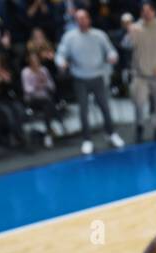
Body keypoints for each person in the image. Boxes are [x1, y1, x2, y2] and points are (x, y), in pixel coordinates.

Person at [55, 8, 125, 155]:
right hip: (80, 78)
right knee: (83, 110)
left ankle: (111, 134)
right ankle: (87, 140)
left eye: (84, 18)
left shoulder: (99, 35)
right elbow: (60, 54)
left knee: (105, 107)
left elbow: (111, 50)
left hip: (98, 76)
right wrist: (61, 62)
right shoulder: (69, 37)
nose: (82, 21)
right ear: (76, 21)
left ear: (89, 19)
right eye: (79, 19)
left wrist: (112, 56)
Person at [126, 2, 156, 144]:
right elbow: (127, 46)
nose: (146, 13)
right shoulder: (135, 29)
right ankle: (140, 127)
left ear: (154, 12)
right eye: (144, 11)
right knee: (139, 103)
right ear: (141, 13)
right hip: (140, 75)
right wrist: (129, 34)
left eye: (149, 11)